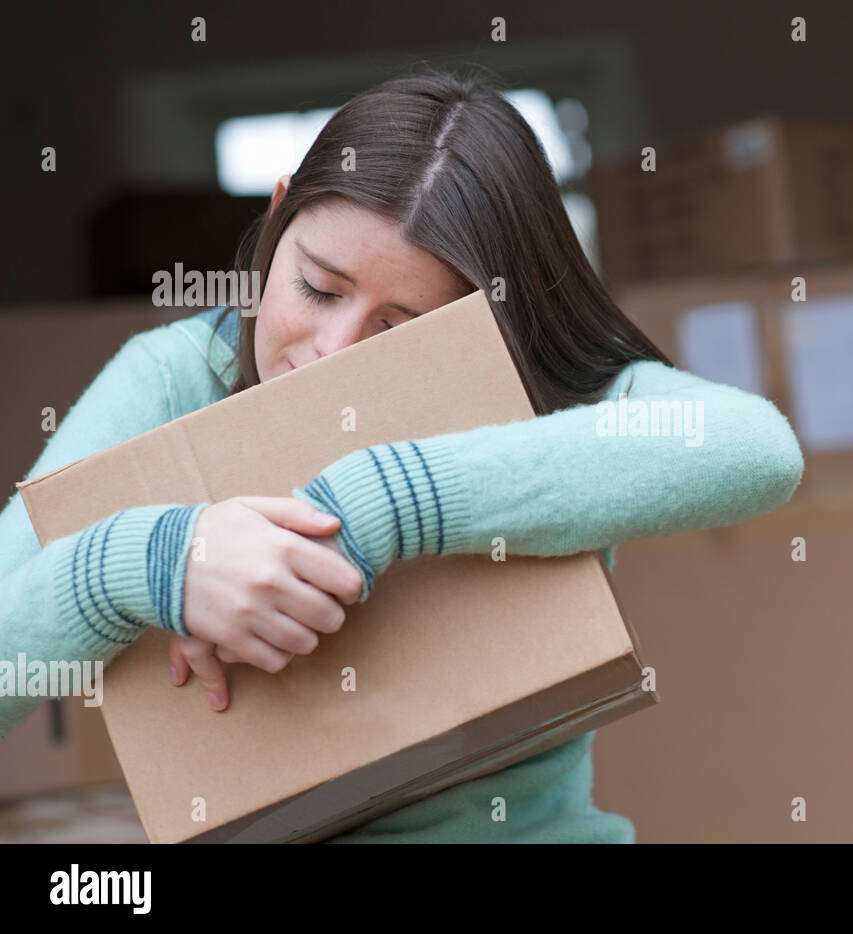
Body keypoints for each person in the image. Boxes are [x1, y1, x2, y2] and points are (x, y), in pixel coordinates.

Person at [0, 69, 805, 843]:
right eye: (317, 289)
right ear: (277, 220)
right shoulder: (178, 378)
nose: (330, 354)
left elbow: (758, 449)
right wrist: (146, 564)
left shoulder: (532, 387)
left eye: (397, 333)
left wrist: (387, 499)